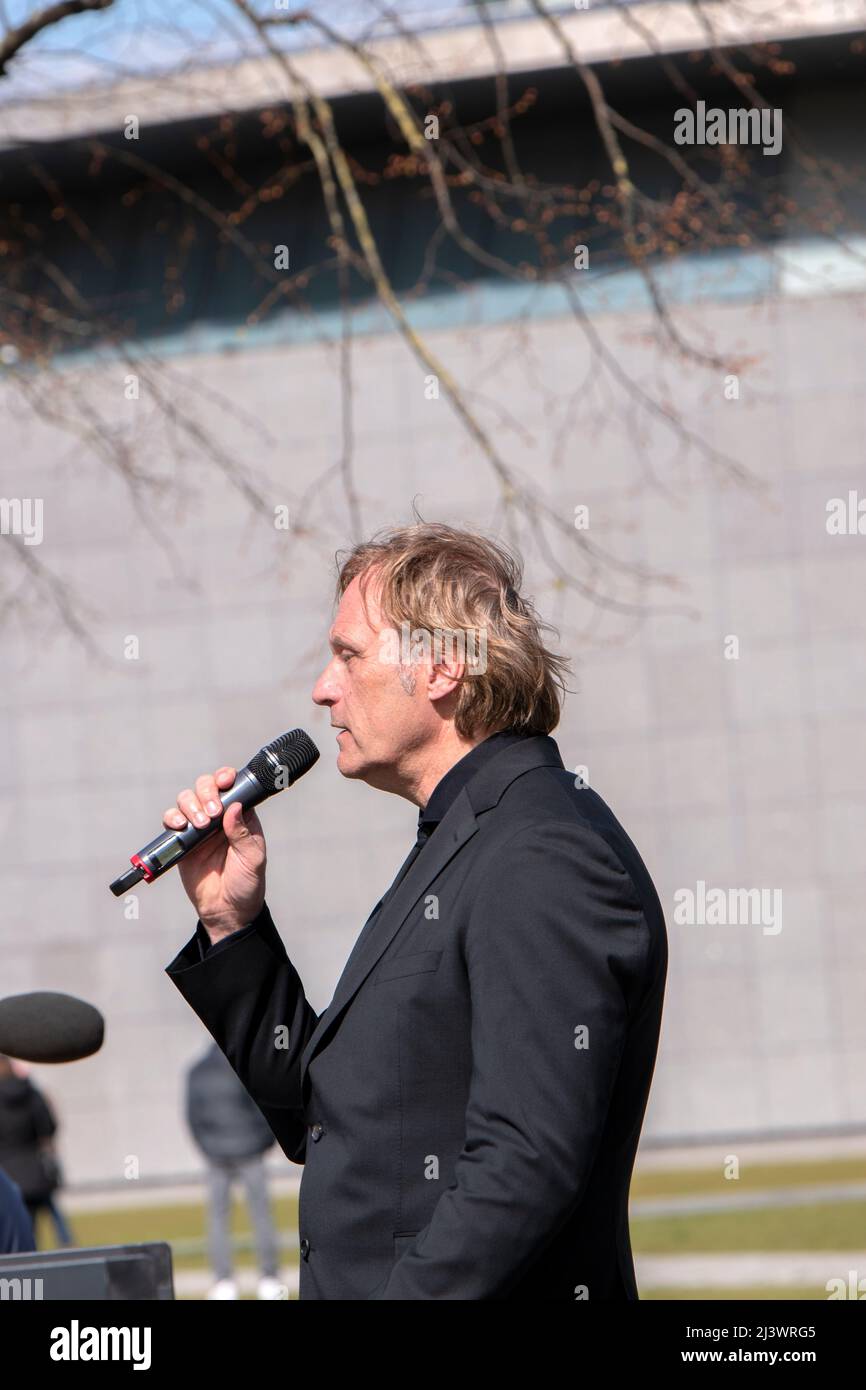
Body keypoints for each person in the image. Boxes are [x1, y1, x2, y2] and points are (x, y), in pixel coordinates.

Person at [164, 521, 668, 1300]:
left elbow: (526, 1163)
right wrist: (232, 924)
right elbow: (328, 1118)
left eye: (349, 654)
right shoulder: (463, 839)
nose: (323, 687)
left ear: (441, 668)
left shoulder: (539, 854)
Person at [185, 1040, 283, 1300]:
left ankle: (223, 1281)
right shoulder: (243, 1067)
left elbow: (192, 1117)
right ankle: (269, 1279)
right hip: (249, 1151)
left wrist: (207, 1146)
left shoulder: (197, 1071)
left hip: (218, 1154)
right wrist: (264, 1142)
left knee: (218, 1218)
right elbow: (264, 1111)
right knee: (261, 1215)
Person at [0, 1054, 73, 1248]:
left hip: (8, 1170)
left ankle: (32, 1266)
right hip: (35, 1165)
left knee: (22, 1224)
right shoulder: (32, 1093)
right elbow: (48, 1126)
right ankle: (69, 1247)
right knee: (54, 1212)